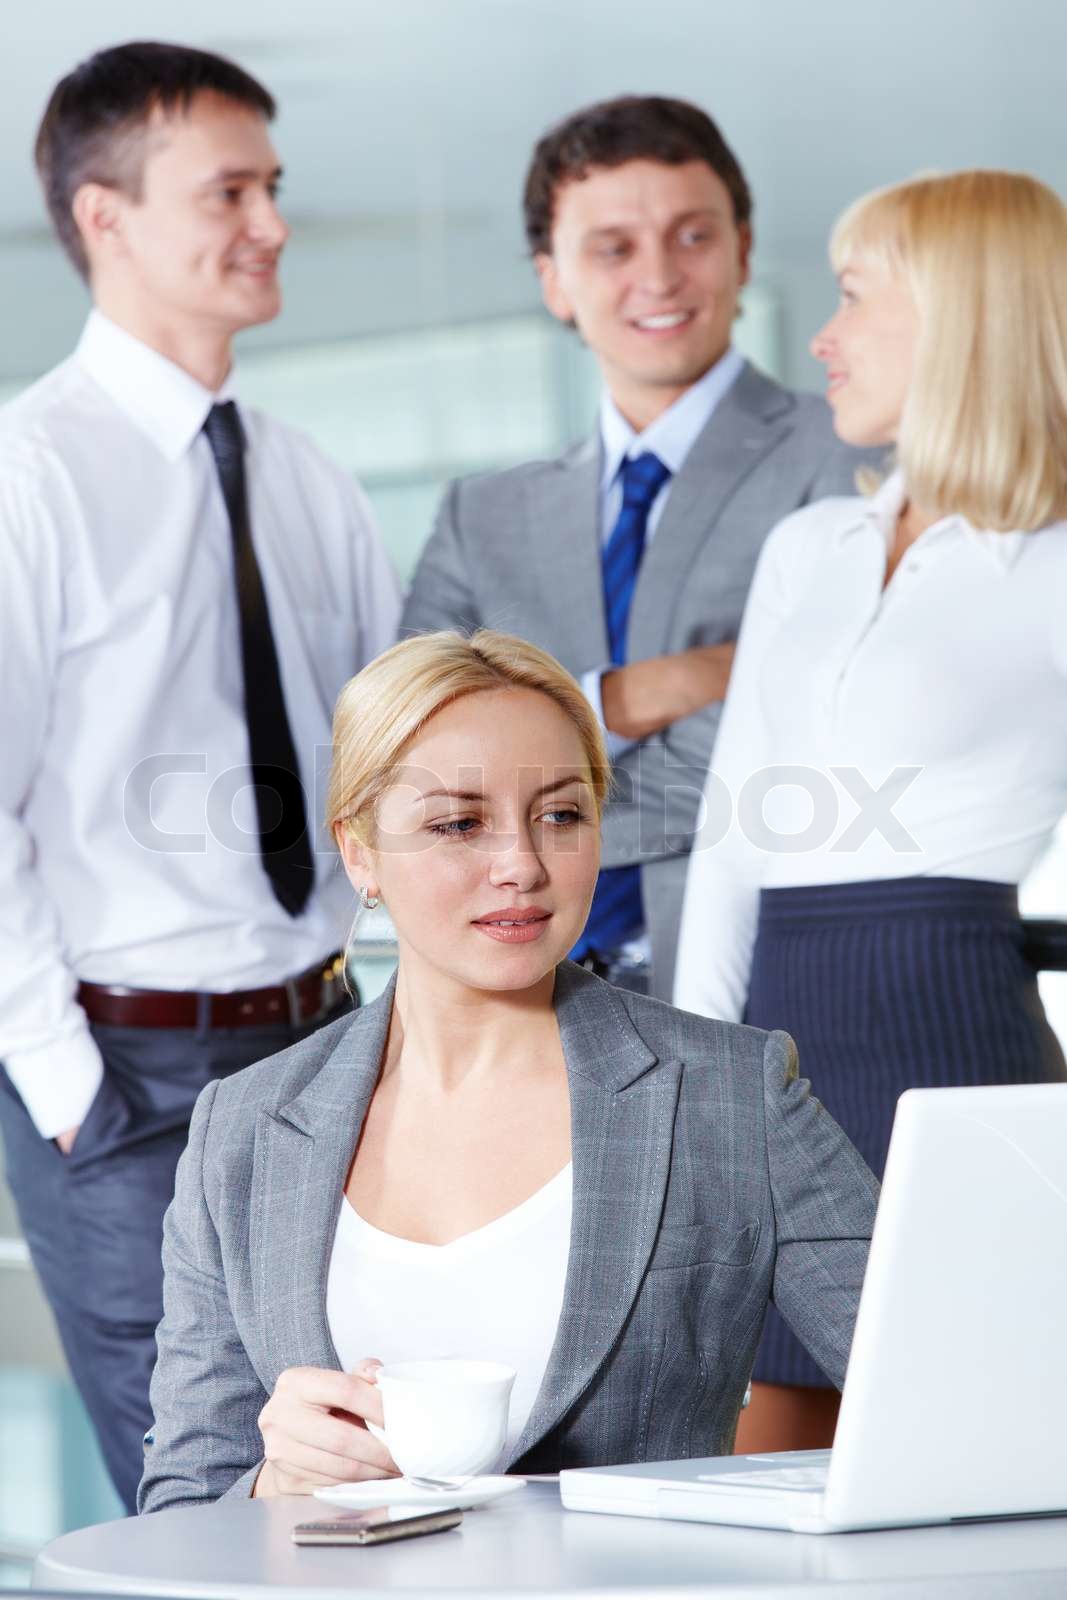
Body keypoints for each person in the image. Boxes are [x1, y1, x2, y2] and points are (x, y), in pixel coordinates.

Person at [137, 628, 878, 1511]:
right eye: (458, 824)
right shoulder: (243, 1127)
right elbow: (181, 1505)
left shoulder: (729, 1094)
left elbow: (942, 1397)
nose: (522, 865)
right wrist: (275, 1484)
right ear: (360, 851)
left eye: (561, 816)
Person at [0, 41, 400, 1511]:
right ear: (104, 216)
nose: (273, 223)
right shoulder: (28, 476)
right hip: (126, 1077)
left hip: (327, 1050)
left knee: (366, 1483)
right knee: (202, 1515)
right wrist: (67, 1090)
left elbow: (385, 749)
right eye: (228, 192)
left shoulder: (305, 476)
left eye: (272, 187)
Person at [674, 169, 1067, 1454]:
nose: (820, 340)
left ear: (958, 316)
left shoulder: (1054, 563)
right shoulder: (809, 548)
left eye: (851, 298)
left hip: (955, 1043)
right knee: (755, 1464)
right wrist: (689, 1081)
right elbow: (733, 835)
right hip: (779, 1038)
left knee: (970, 1462)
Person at [402, 95, 880, 1001]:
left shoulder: (854, 455)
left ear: (742, 250)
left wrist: (516, 807)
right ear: (553, 280)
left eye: (692, 237)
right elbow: (408, 747)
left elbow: (817, 735)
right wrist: (644, 692)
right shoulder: (482, 514)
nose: (659, 277)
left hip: (781, 989)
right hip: (525, 1005)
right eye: (613, 248)